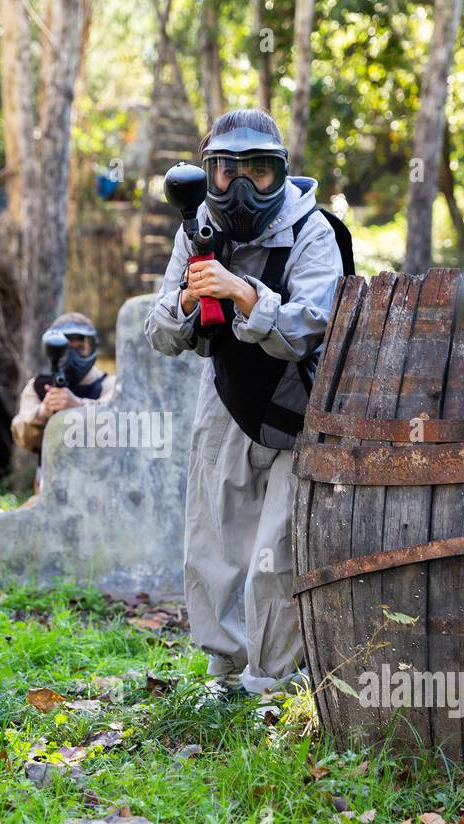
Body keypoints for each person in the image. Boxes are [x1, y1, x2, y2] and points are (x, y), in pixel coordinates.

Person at [145, 109, 343, 696]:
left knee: (276, 550)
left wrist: (242, 292)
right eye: (225, 171)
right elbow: (161, 333)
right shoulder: (194, 228)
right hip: (225, 397)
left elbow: (313, 323)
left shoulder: (314, 230)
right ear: (207, 173)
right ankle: (224, 670)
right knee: (212, 539)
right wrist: (187, 298)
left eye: (259, 171)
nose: (240, 188)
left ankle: (275, 683)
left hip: (300, 405)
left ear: (281, 171)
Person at [11, 312, 114, 457]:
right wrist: (44, 411)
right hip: (51, 477)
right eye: (65, 348)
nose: (73, 355)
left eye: (80, 348)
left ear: (93, 348)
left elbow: (120, 425)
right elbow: (23, 440)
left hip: (98, 476)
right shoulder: (38, 386)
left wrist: (79, 406)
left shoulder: (110, 384)